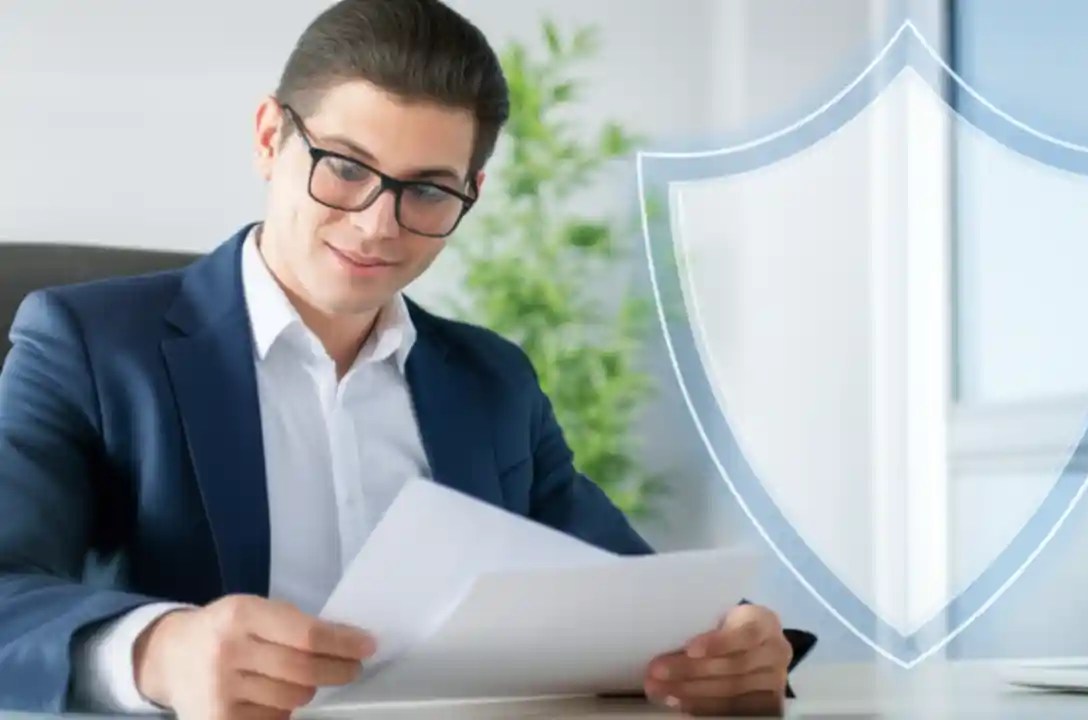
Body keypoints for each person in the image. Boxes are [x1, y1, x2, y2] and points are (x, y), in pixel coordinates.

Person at [0, 0, 815, 717]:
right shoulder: (89, 346)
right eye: (345, 168)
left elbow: (627, 604)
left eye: (427, 189)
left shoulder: (490, 382)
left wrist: (729, 649)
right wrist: (159, 654)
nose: (377, 223)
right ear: (268, 138)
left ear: (472, 194)